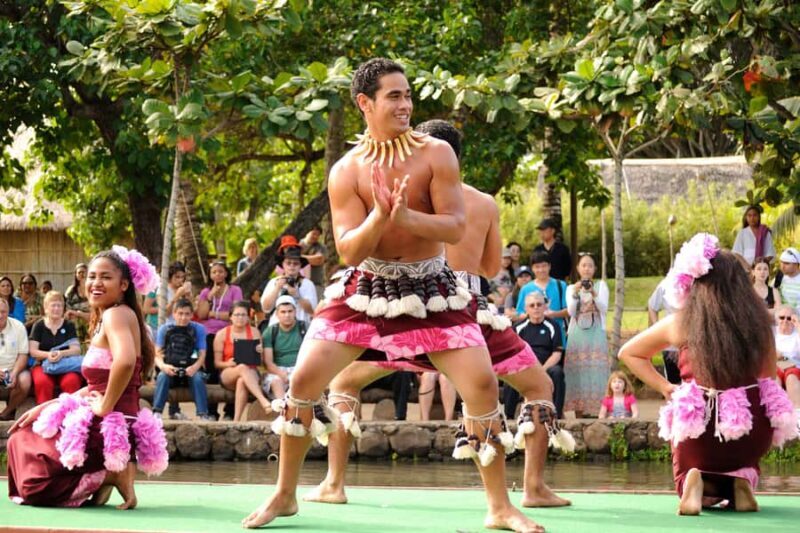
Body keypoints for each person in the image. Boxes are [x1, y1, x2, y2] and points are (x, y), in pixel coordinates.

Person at [242, 59, 543, 532]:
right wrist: (379, 218)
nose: (405, 105)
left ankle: (500, 507)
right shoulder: (347, 171)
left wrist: (405, 218)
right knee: (302, 382)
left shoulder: (437, 153)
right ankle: (285, 495)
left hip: (434, 288)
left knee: (482, 385)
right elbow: (348, 248)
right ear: (365, 103)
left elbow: (455, 224)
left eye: (407, 95)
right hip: (367, 289)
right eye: (394, 97)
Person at [302, 118, 568, 517]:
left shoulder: (391, 192)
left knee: (343, 382)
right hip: (464, 312)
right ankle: (532, 487)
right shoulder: (481, 203)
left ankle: (333, 483)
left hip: (395, 308)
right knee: (539, 386)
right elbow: (491, 265)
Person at [619, 234, 797, 516]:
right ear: (742, 284)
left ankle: (694, 482)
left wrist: (666, 387)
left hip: (699, 431)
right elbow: (766, 376)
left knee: (692, 452)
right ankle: (739, 481)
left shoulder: (681, 322)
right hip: (747, 429)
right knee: (744, 451)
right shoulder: (761, 324)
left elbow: (628, 353)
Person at [6, 246, 168, 508]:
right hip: (104, 417)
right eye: (91, 276)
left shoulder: (116, 314)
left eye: (106, 277)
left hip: (109, 426)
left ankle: (109, 473)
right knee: (22, 437)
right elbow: (97, 385)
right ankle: (104, 477)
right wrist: (46, 406)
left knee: (32, 479)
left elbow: (125, 362)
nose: (95, 283)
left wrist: (104, 406)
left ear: (124, 284)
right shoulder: (113, 315)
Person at [505, 292, 565, 418]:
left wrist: (541, 370)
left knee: (558, 372)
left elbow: (557, 354)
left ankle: (557, 416)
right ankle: (508, 416)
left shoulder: (553, 326)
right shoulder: (518, 328)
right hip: (525, 368)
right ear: (526, 309)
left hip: (546, 367)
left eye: (539, 304)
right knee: (510, 375)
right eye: (532, 305)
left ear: (544, 307)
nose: (536, 308)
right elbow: (514, 354)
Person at [563, 253, 610, 417]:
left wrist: (594, 294)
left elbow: (604, 309)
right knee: (578, 372)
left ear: (595, 269)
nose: (587, 268)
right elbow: (570, 311)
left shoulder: (601, 286)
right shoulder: (570, 288)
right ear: (578, 268)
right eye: (583, 265)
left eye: (590, 265)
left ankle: (599, 412)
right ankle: (579, 413)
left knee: (597, 371)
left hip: (596, 333)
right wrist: (576, 293)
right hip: (577, 335)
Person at [153, 298, 211, 421]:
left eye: (187, 314)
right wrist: (164, 367)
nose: (183, 317)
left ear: (191, 315)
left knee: (198, 378)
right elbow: (157, 355)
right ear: (174, 314)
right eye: (180, 314)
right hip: (170, 369)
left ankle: (203, 414)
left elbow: (202, 353)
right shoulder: (164, 329)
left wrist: (194, 368)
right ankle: (157, 412)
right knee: (162, 376)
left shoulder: (198, 329)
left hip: (191, 368)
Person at [214, 301, 271, 421]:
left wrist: (258, 351)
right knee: (242, 368)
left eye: (243, 315)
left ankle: (236, 420)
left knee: (242, 381)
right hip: (229, 372)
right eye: (237, 315)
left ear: (248, 317)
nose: (240, 318)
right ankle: (262, 400)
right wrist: (228, 363)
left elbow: (259, 361)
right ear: (231, 317)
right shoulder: (222, 334)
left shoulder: (254, 332)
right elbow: (217, 363)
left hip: (251, 372)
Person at [196, 261, 242, 407]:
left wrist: (213, 313)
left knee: (232, 367)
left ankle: (230, 410)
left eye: (221, 271)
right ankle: (211, 411)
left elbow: (235, 314)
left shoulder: (235, 290)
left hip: (230, 331)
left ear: (226, 273)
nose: (217, 274)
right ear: (210, 275)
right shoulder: (205, 292)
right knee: (211, 370)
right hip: (210, 332)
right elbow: (201, 315)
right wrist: (210, 297)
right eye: (214, 272)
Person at [28, 291, 83, 405]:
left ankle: (71, 416)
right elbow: (33, 351)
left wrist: (61, 354)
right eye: (53, 305)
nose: (57, 308)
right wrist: (48, 355)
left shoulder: (69, 325)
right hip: (42, 365)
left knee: (71, 381)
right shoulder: (39, 325)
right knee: (42, 382)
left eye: (60, 305)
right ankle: (45, 417)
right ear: (46, 308)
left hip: (66, 365)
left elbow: (76, 349)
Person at [260, 238, 317, 326]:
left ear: (300, 266)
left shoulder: (308, 284)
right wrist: (277, 289)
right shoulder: (274, 282)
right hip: (277, 328)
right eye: (288, 263)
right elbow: (266, 308)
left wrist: (298, 296)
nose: (292, 266)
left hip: (300, 329)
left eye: (295, 263)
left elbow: (312, 310)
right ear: (283, 264)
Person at [261, 295, 307, 400]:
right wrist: (282, 374)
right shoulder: (270, 332)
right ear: (277, 314)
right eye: (283, 312)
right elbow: (268, 362)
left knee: (300, 381)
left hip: (300, 368)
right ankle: (283, 411)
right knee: (276, 381)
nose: (287, 315)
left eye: (290, 311)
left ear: (295, 312)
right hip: (278, 370)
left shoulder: (305, 328)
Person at [515, 252, 568, 342]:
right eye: (537, 267)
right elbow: (519, 313)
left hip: (558, 335)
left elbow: (569, 311)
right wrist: (534, 314)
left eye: (544, 266)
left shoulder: (561, 285)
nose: (541, 270)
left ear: (549, 266)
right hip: (533, 338)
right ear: (532, 268)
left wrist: (554, 314)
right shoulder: (526, 289)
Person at [0, 299, 32, 421]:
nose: (0, 315)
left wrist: (15, 372)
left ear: (8, 312)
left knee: (25, 380)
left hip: (13, 368)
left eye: (3, 312)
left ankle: (6, 412)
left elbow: (23, 354)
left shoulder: (18, 326)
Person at [648, 278, 681, 384]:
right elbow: (652, 305)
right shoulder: (667, 282)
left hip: (695, 345)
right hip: (672, 344)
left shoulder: (698, 280)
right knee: (673, 384)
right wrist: (657, 327)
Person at [143, 261, 192, 331]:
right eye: (177, 277)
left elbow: (191, 310)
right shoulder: (161, 288)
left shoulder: (182, 288)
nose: (180, 280)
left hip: (179, 327)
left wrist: (188, 295)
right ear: (170, 277)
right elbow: (164, 312)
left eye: (182, 277)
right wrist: (177, 296)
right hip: (159, 326)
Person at [774, 305, 800, 410]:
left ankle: (798, 414)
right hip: (775, 366)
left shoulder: (797, 332)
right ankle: (776, 413)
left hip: (794, 368)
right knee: (774, 380)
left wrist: (797, 324)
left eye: (789, 318)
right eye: (782, 317)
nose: (785, 320)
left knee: (791, 378)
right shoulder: (771, 331)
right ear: (777, 319)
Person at [300, 226, 329, 301]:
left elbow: (318, 260)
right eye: (314, 233)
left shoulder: (321, 247)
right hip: (298, 285)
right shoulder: (297, 244)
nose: (315, 237)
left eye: (318, 235)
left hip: (316, 284)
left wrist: (298, 257)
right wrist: (311, 258)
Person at [65, 263, 90, 346]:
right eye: (79, 272)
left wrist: (80, 314)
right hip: (75, 323)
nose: (82, 274)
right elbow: (68, 309)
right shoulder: (71, 291)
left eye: (84, 272)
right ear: (75, 275)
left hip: (90, 321)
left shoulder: (92, 288)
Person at [778, 248, 800, 312]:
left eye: (787, 263)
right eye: (781, 262)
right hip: (782, 319)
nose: (782, 266)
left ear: (796, 264)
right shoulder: (779, 277)